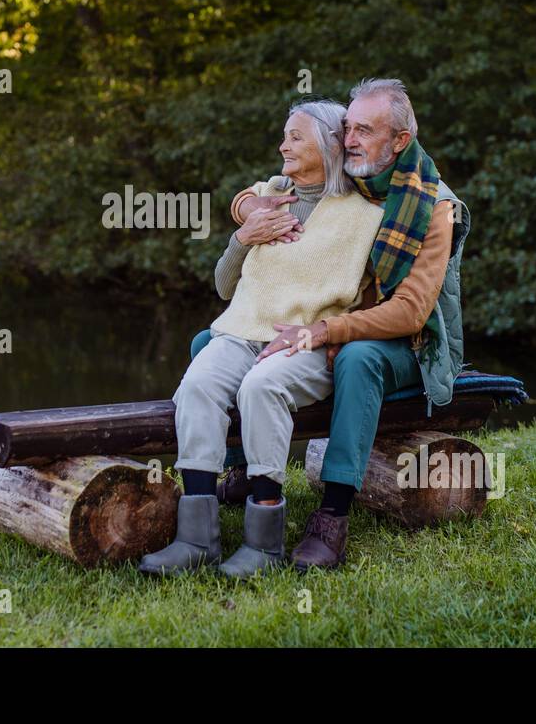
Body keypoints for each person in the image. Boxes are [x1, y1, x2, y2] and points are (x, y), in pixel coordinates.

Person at [200, 77, 472, 570]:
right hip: (340, 324)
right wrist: (249, 206)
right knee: (211, 339)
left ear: (399, 141)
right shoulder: (355, 178)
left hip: (410, 342)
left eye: (365, 131)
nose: (349, 140)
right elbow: (280, 183)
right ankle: (239, 468)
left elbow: (410, 310)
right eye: (348, 127)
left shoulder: (433, 206)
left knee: (359, 357)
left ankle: (333, 515)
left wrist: (330, 330)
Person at [138, 99, 383, 578]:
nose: (282, 145)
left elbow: (376, 295)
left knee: (261, 387)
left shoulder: (364, 215)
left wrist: (330, 334)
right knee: (198, 386)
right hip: (241, 332)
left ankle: (264, 541)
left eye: (295, 137)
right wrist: (243, 234)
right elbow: (224, 287)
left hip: (305, 341)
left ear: (330, 145)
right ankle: (196, 538)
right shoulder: (270, 192)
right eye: (284, 135)